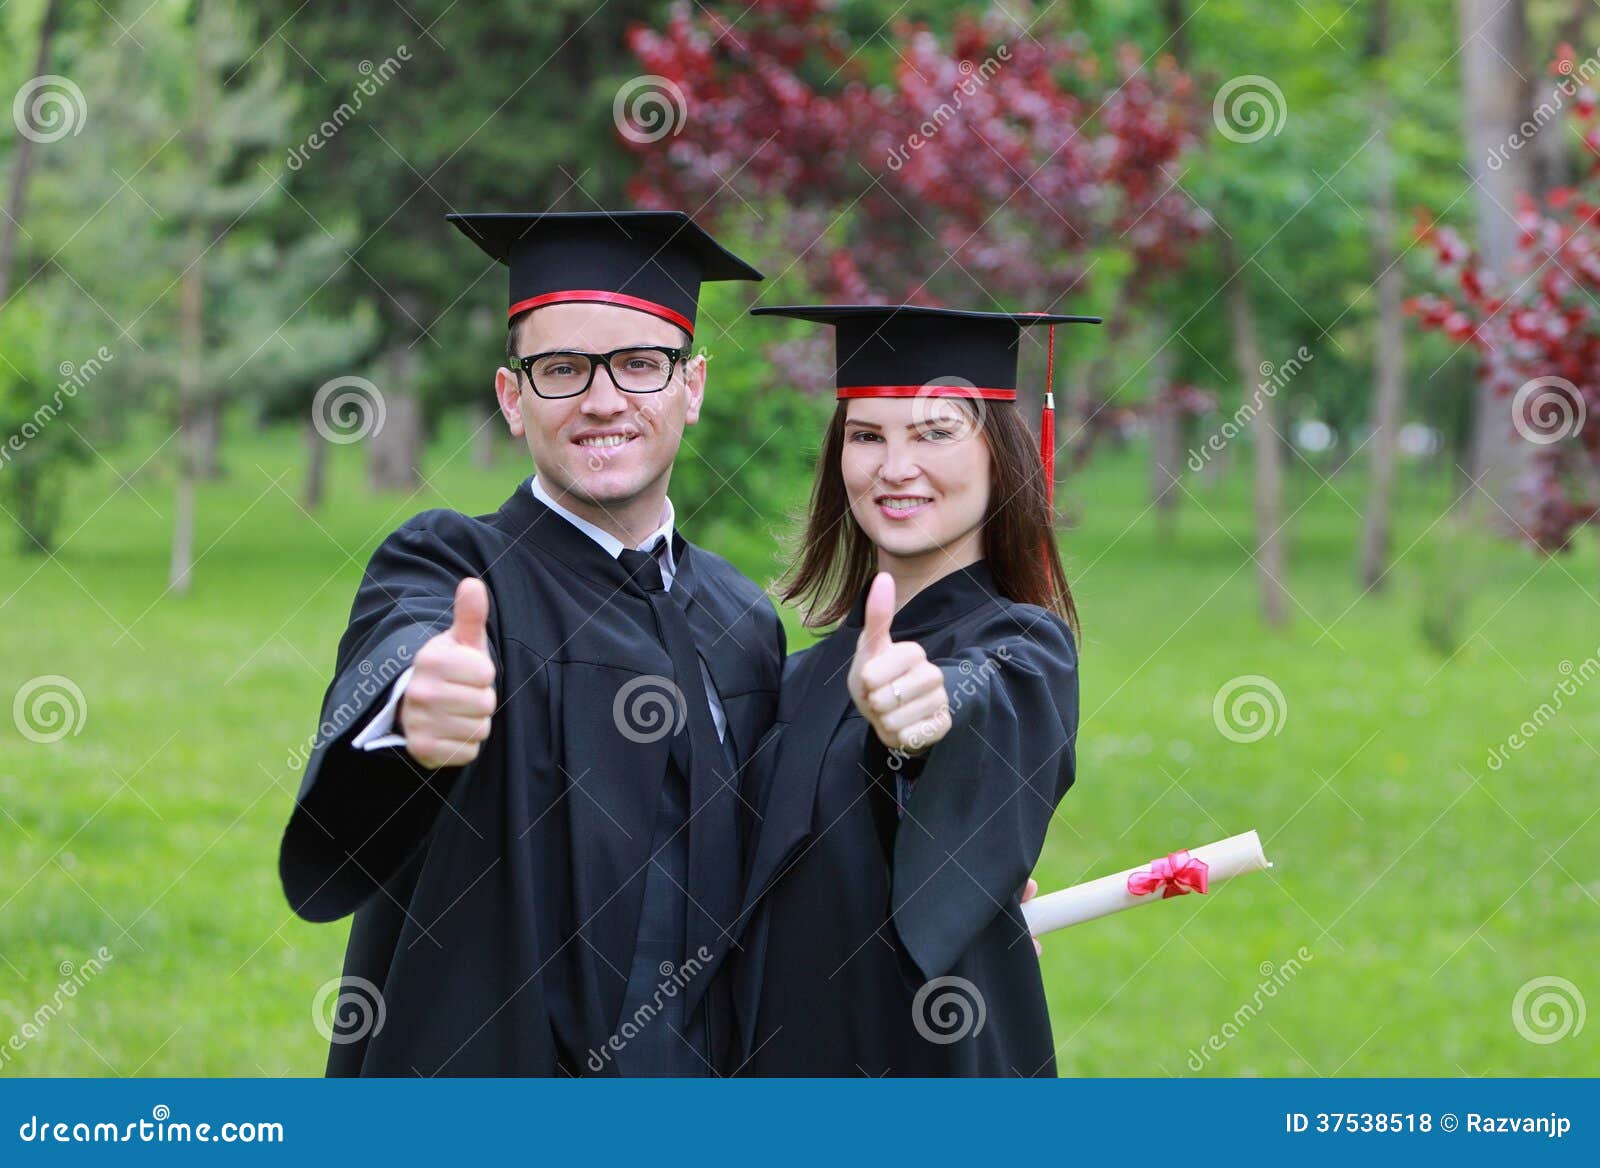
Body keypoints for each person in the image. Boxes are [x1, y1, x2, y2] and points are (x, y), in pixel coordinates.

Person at [277, 211, 785, 1076]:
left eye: (639, 364)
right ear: (514, 399)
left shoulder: (743, 623)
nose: (602, 400)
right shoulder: (454, 564)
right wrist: (416, 704)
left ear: (690, 387)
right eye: (561, 369)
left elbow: (787, 862)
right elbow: (407, 640)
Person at [732, 303, 1095, 1076]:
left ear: (1000, 455)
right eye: (868, 436)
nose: (895, 468)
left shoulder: (1023, 649)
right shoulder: (803, 677)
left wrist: (922, 717)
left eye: (934, 433)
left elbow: (976, 704)